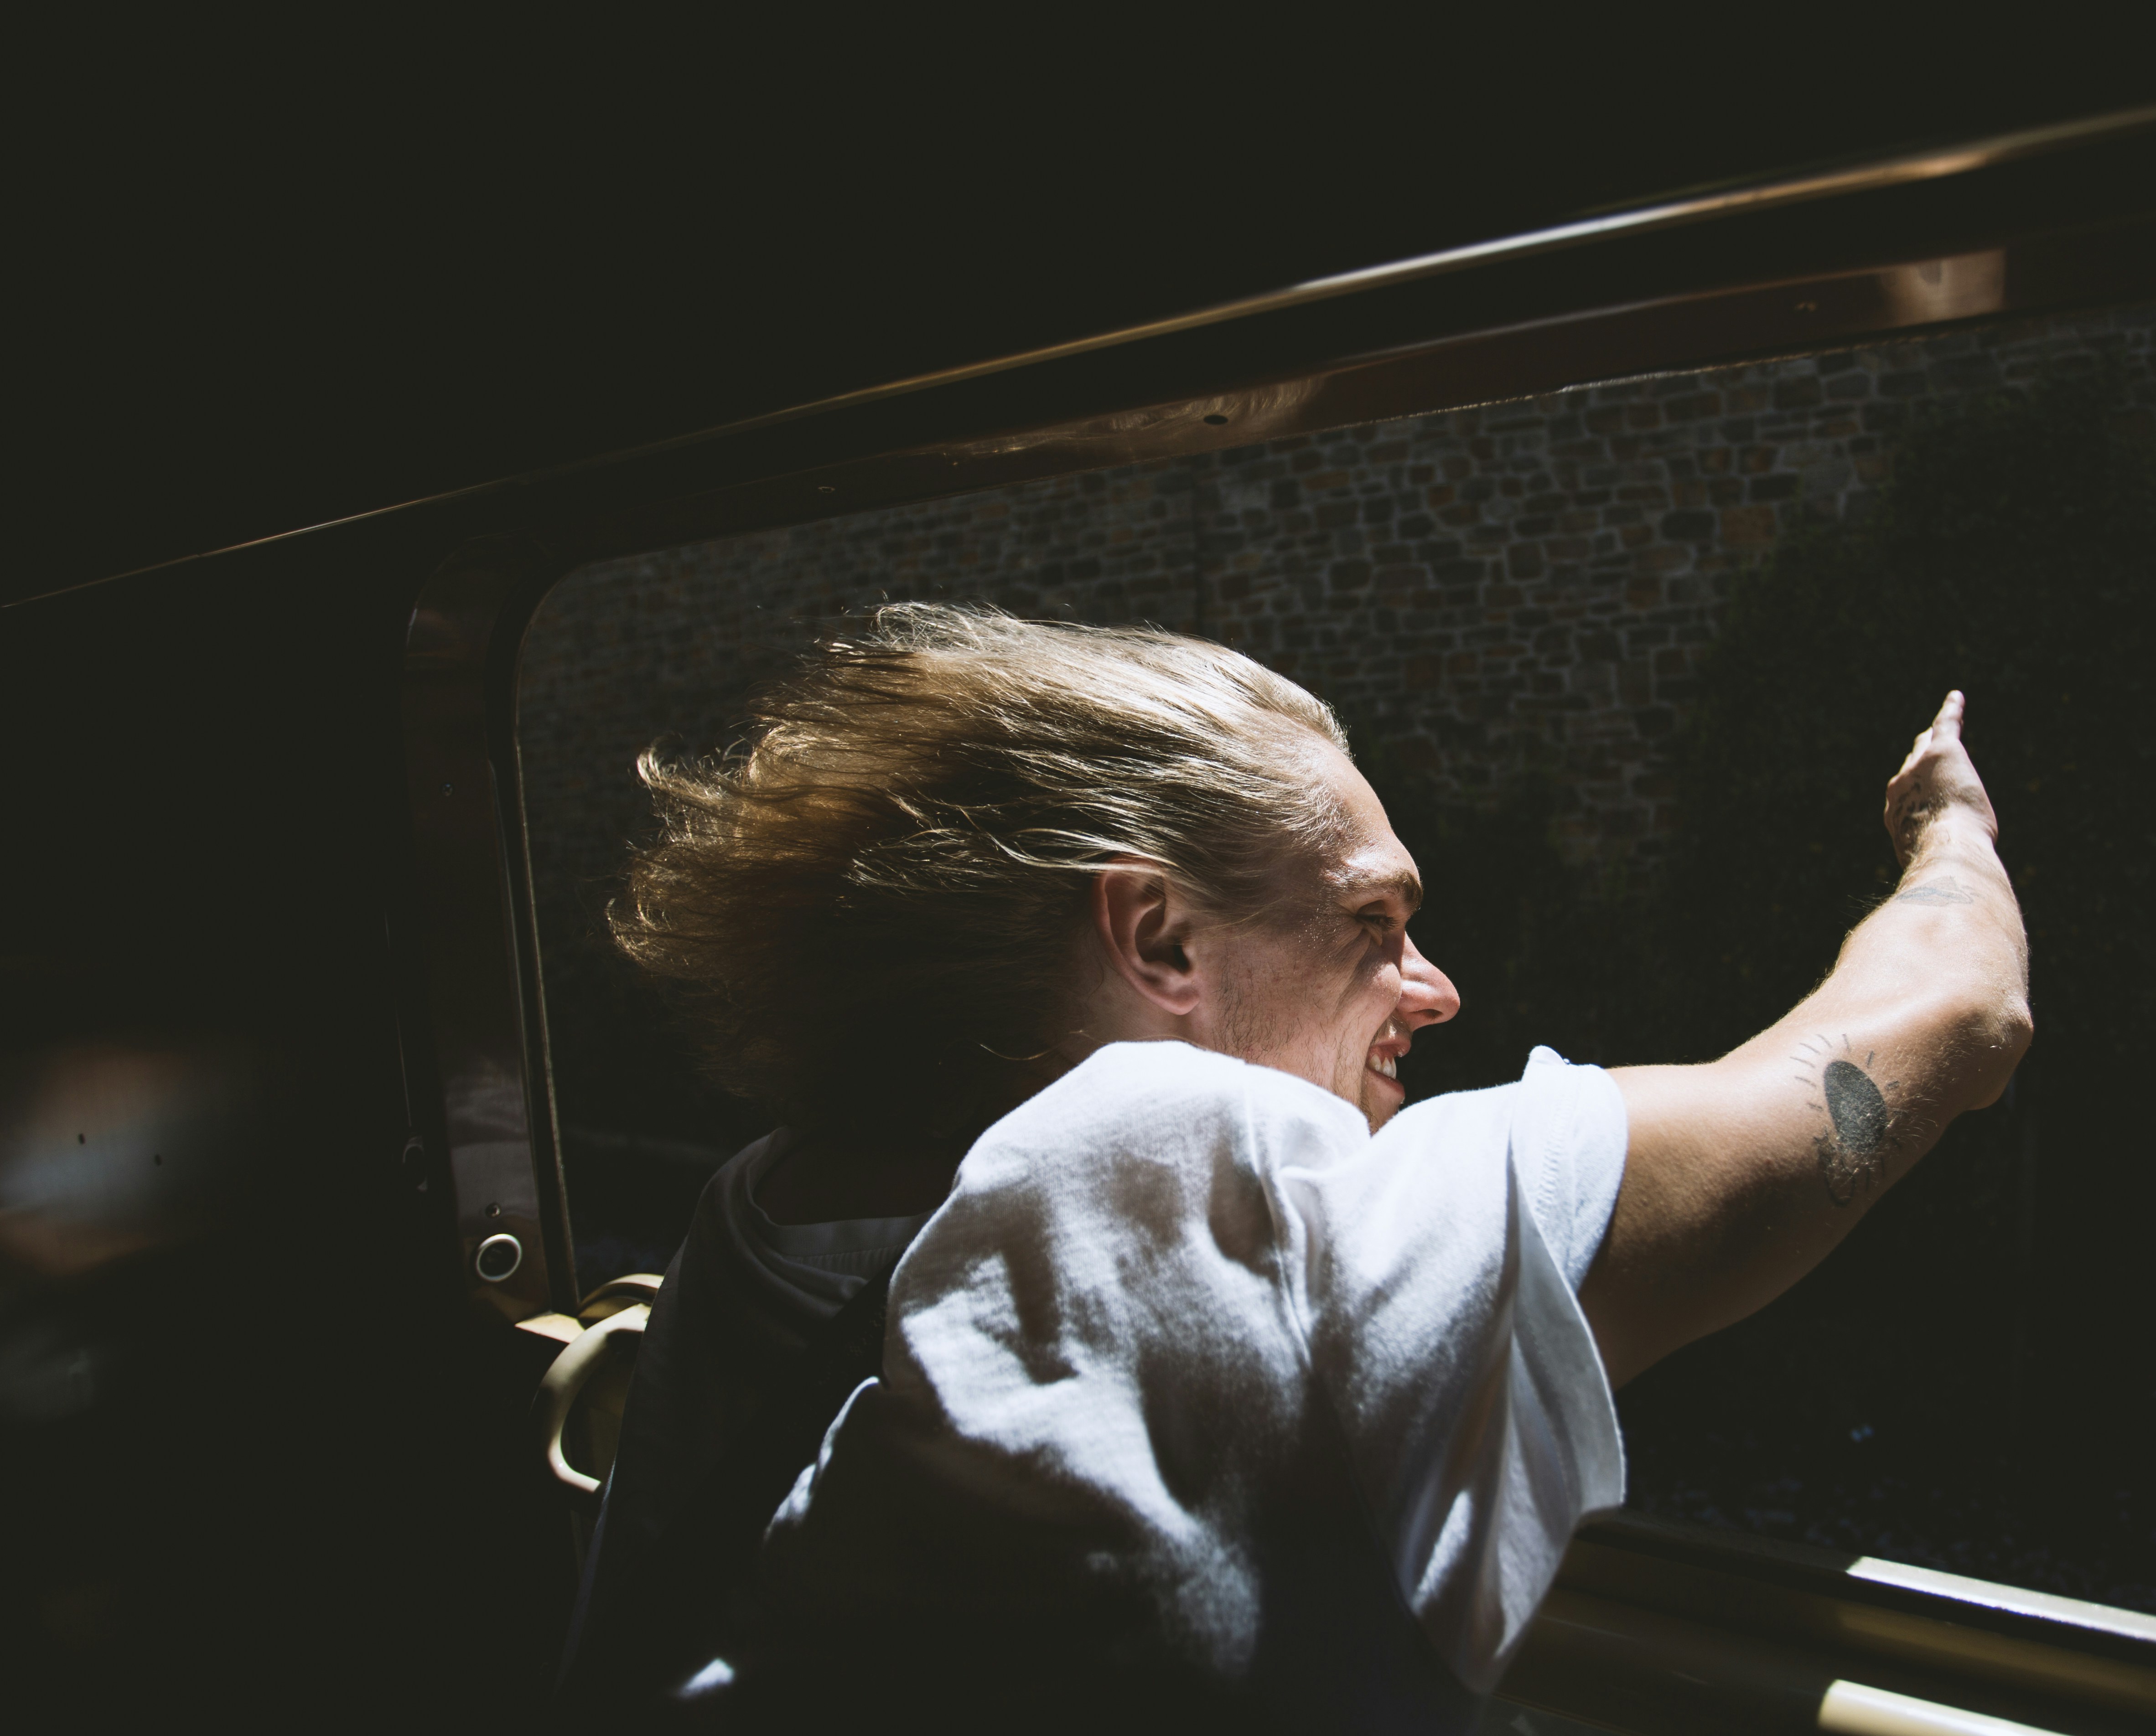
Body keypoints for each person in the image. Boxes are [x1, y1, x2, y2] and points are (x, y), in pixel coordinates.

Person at [560, 604, 2029, 1729]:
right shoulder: (1210, 1195)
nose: (1434, 986)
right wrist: (1948, 829)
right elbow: (1951, 1017)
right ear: (1161, 941)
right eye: (1372, 921)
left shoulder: (764, 1205)